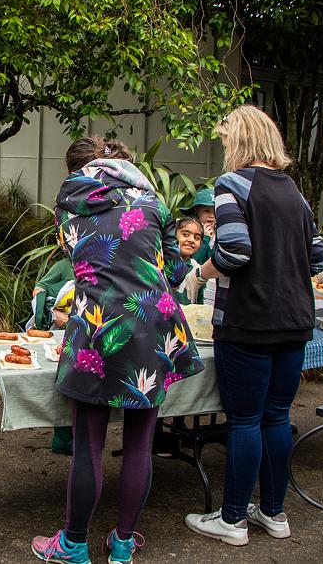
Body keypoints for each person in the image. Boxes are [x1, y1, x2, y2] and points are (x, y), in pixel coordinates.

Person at [31, 136, 204, 564]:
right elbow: (175, 267)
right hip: (151, 328)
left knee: (88, 444)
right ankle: (123, 545)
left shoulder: (68, 201)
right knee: (140, 444)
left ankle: (73, 545)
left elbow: (77, 258)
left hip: (96, 325)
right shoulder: (153, 203)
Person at [183, 105, 323, 547]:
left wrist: (201, 273)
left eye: (225, 140)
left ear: (240, 141)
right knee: (277, 417)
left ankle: (231, 521)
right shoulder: (295, 193)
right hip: (295, 322)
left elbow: (236, 252)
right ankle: (274, 513)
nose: (223, 148)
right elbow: (318, 260)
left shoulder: (231, 186)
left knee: (243, 420)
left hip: (247, 322)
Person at [29, 236, 76, 456]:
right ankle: (63, 437)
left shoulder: (102, 264)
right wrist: (51, 311)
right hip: (65, 334)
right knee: (65, 382)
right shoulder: (64, 265)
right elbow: (39, 289)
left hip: (92, 332)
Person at [174, 217, 205, 305]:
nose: (191, 240)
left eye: (196, 238)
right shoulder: (164, 263)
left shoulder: (197, 269)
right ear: (174, 235)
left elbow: (199, 301)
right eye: (186, 235)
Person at [181, 188, 216, 265]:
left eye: (215, 211)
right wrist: (205, 239)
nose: (212, 216)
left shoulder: (222, 233)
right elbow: (192, 262)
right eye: (207, 211)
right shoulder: (188, 232)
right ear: (196, 211)